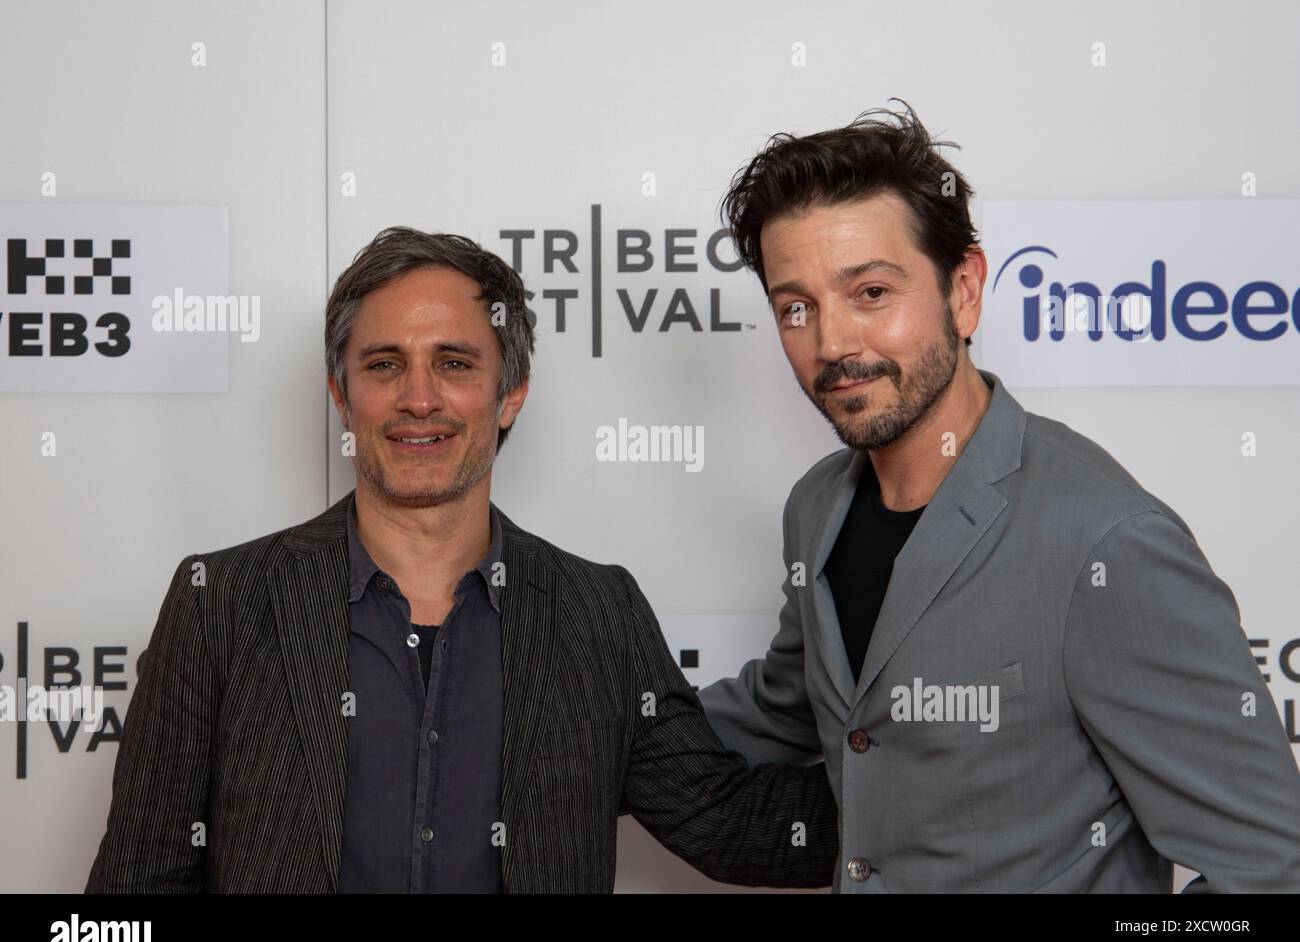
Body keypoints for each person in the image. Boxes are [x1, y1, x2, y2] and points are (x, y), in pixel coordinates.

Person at [86, 227, 837, 893]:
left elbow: (725, 820)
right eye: (384, 365)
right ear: (342, 397)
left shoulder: (596, 613)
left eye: (453, 363)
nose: (419, 398)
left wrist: (932, 797)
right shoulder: (219, 604)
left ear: (510, 394)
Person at [698, 101, 1300, 893]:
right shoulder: (817, 508)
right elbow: (785, 706)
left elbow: (1271, 869)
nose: (833, 342)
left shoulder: (1105, 540)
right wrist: (570, 723)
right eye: (796, 308)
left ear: (966, 289)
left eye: (872, 292)